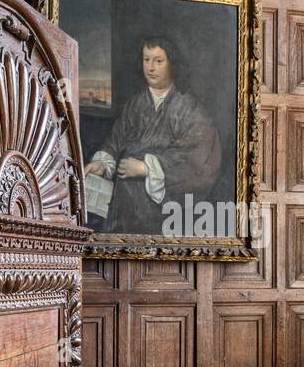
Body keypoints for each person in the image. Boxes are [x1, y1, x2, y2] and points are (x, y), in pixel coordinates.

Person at [84, 38, 222, 235]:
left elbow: (199, 161)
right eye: (146, 59)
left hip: (162, 215)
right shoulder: (136, 104)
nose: (150, 67)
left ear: (172, 64)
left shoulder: (189, 108)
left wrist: (146, 168)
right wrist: (103, 164)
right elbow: (115, 142)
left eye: (158, 61)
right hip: (123, 208)